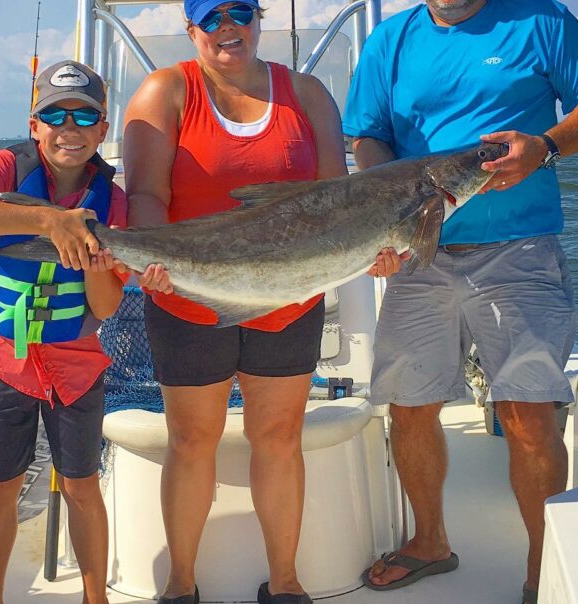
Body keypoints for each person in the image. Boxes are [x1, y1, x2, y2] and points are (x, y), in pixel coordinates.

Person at [343, 1, 578, 602]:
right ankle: (429, 542)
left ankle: (543, 569)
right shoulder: (390, 39)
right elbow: (368, 136)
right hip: (419, 256)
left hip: (520, 250)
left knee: (528, 414)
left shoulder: (540, 19)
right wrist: (392, 210)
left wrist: (545, 146)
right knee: (409, 406)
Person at [122, 1, 401, 602]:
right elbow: (145, 193)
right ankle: (180, 584)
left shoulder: (307, 94)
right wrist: (154, 261)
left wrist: (374, 250)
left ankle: (286, 582)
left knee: (278, 436)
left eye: (240, 12)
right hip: (188, 299)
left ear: (258, 20)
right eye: (211, 17)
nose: (228, 27)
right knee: (191, 440)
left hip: (290, 298)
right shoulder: (165, 91)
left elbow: (338, 204)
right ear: (191, 29)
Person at [0, 60, 127, 604]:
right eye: (55, 115)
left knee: (82, 484)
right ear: (34, 124)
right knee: (0, 488)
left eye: (84, 116)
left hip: (76, 360)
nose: (69, 128)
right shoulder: (6, 166)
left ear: (103, 129)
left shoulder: (112, 197)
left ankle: (95, 597)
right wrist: (49, 221)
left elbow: (107, 305)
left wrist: (97, 264)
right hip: (3, 359)